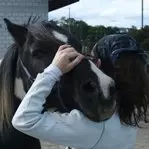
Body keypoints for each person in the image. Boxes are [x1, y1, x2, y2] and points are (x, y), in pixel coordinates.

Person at [12, 40, 144, 149]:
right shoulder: (131, 108)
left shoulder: (89, 126)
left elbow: (24, 120)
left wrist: (53, 71)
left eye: (94, 59)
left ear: (101, 65)